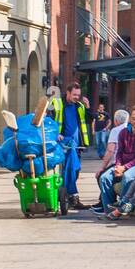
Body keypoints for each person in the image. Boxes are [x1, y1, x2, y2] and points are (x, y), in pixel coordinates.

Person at [95, 105, 135, 215]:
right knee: (104, 178)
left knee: (127, 176)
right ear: (130, 118)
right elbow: (119, 152)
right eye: (134, 118)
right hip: (123, 164)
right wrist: (118, 166)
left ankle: (121, 208)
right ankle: (109, 210)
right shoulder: (123, 133)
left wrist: (124, 168)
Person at [48, 81, 90, 213]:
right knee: (67, 170)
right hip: (63, 144)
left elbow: (88, 120)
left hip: (76, 145)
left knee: (75, 170)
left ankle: (68, 195)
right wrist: (56, 133)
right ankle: (71, 197)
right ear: (68, 93)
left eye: (78, 95)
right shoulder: (58, 104)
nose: (77, 97)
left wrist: (88, 107)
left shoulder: (80, 106)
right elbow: (49, 120)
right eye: (74, 94)